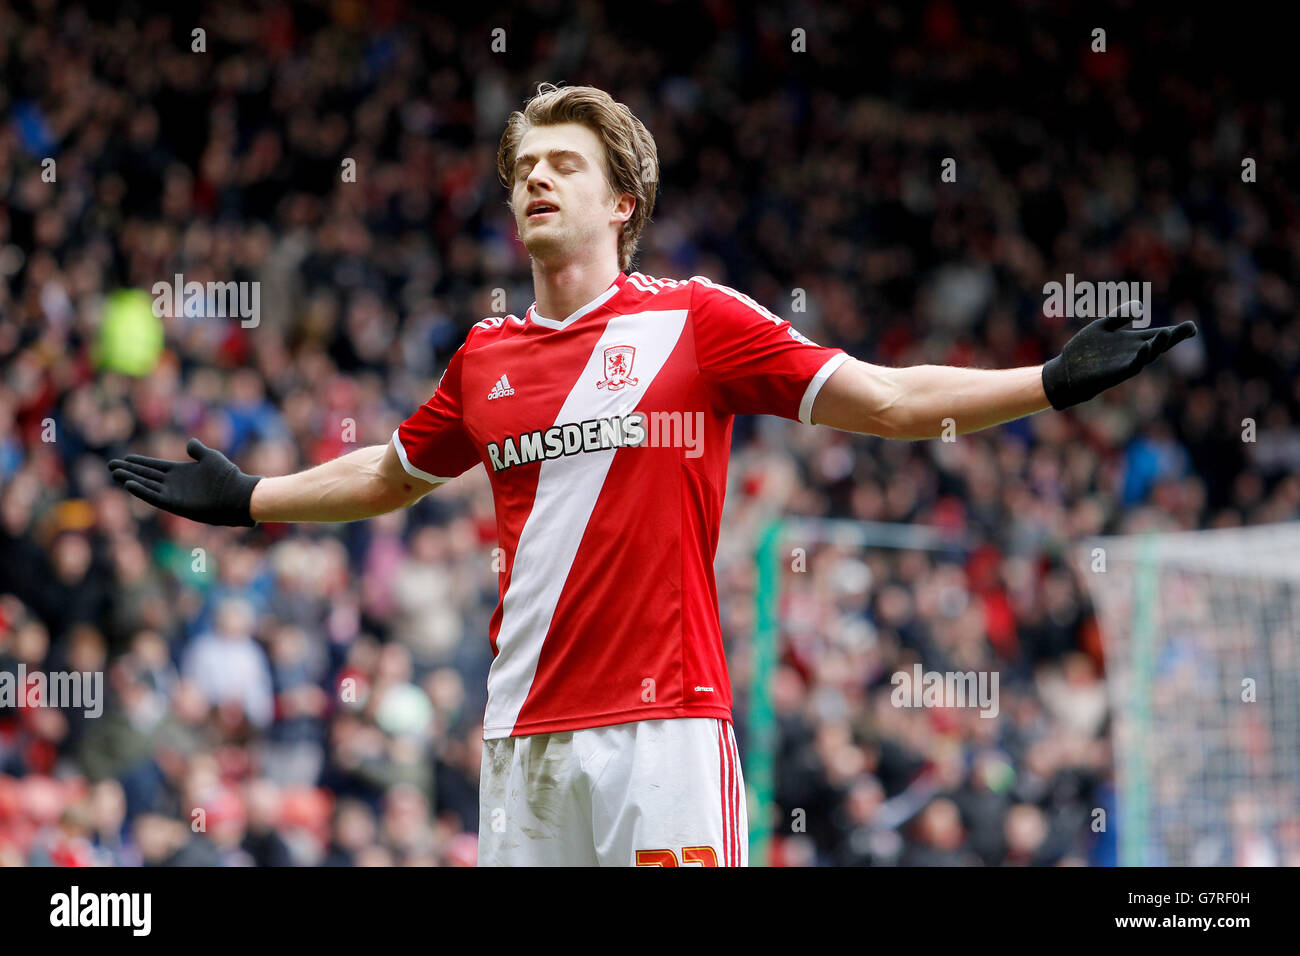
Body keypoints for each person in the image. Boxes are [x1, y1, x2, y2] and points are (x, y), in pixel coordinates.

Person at [109, 83, 1195, 866]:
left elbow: (887, 399)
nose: (534, 178)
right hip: (520, 732)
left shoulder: (698, 323)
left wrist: (1043, 383)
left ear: (622, 201)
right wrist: (252, 498)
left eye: (562, 163)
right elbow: (392, 472)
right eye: (523, 167)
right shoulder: (483, 357)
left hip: (664, 731)